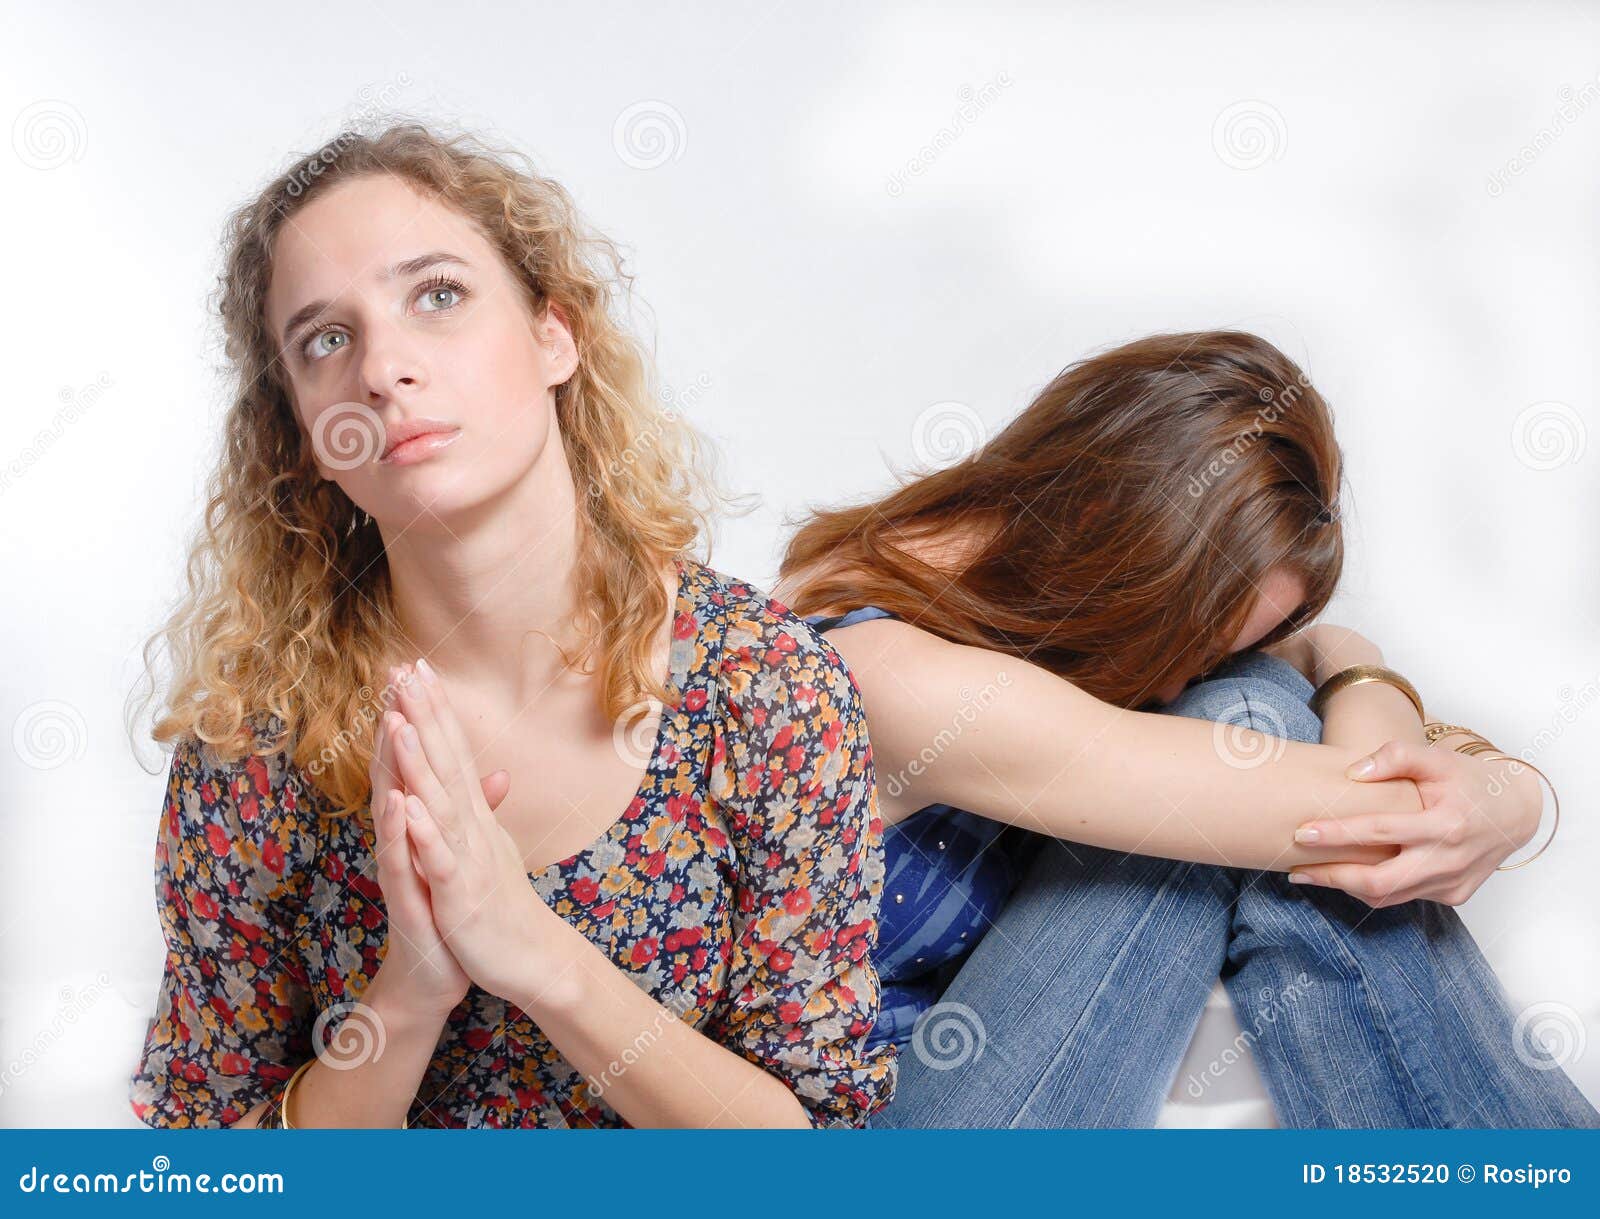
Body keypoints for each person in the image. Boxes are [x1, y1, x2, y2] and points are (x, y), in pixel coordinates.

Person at [127, 121, 893, 1129]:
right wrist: (410, 988)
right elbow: (214, 1167)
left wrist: (532, 951)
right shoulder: (255, 744)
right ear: (307, 436)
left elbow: (818, 1155)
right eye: (326, 338)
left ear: (553, 335)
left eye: (436, 296)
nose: (383, 368)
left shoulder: (764, 689)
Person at [773, 330, 1597, 1127]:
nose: (1178, 681)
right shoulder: (895, 676)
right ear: (1110, 533)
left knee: (1260, 700)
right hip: (873, 1148)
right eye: (1187, 643)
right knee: (1255, 713)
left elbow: (1313, 653)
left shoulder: (936, 564)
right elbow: (1373, 818)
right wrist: (1510, 794)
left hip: (944, 1074)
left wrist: (1358, 669)